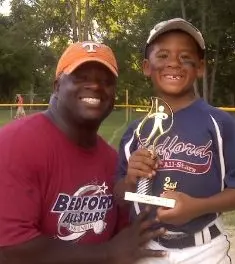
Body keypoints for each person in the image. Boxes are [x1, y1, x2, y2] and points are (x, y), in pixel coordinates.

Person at [0, 41, 166, 264]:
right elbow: (13, 249)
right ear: (57, 86)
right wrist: (108, 253)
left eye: (106, 81)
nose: (95, 86)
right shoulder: (15, 143)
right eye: (81, 77)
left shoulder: (112, 161)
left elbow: (125, 237)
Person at [114, 18, 235, 264]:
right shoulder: (135, 133)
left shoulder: (218, 122)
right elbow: (120, 197)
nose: (173, 62)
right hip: (147, 248)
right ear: (146, 66)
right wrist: (131, 179)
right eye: (162, 55)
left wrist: (197, 207)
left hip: (204, 250)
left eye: (185, 56)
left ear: (201, 67)